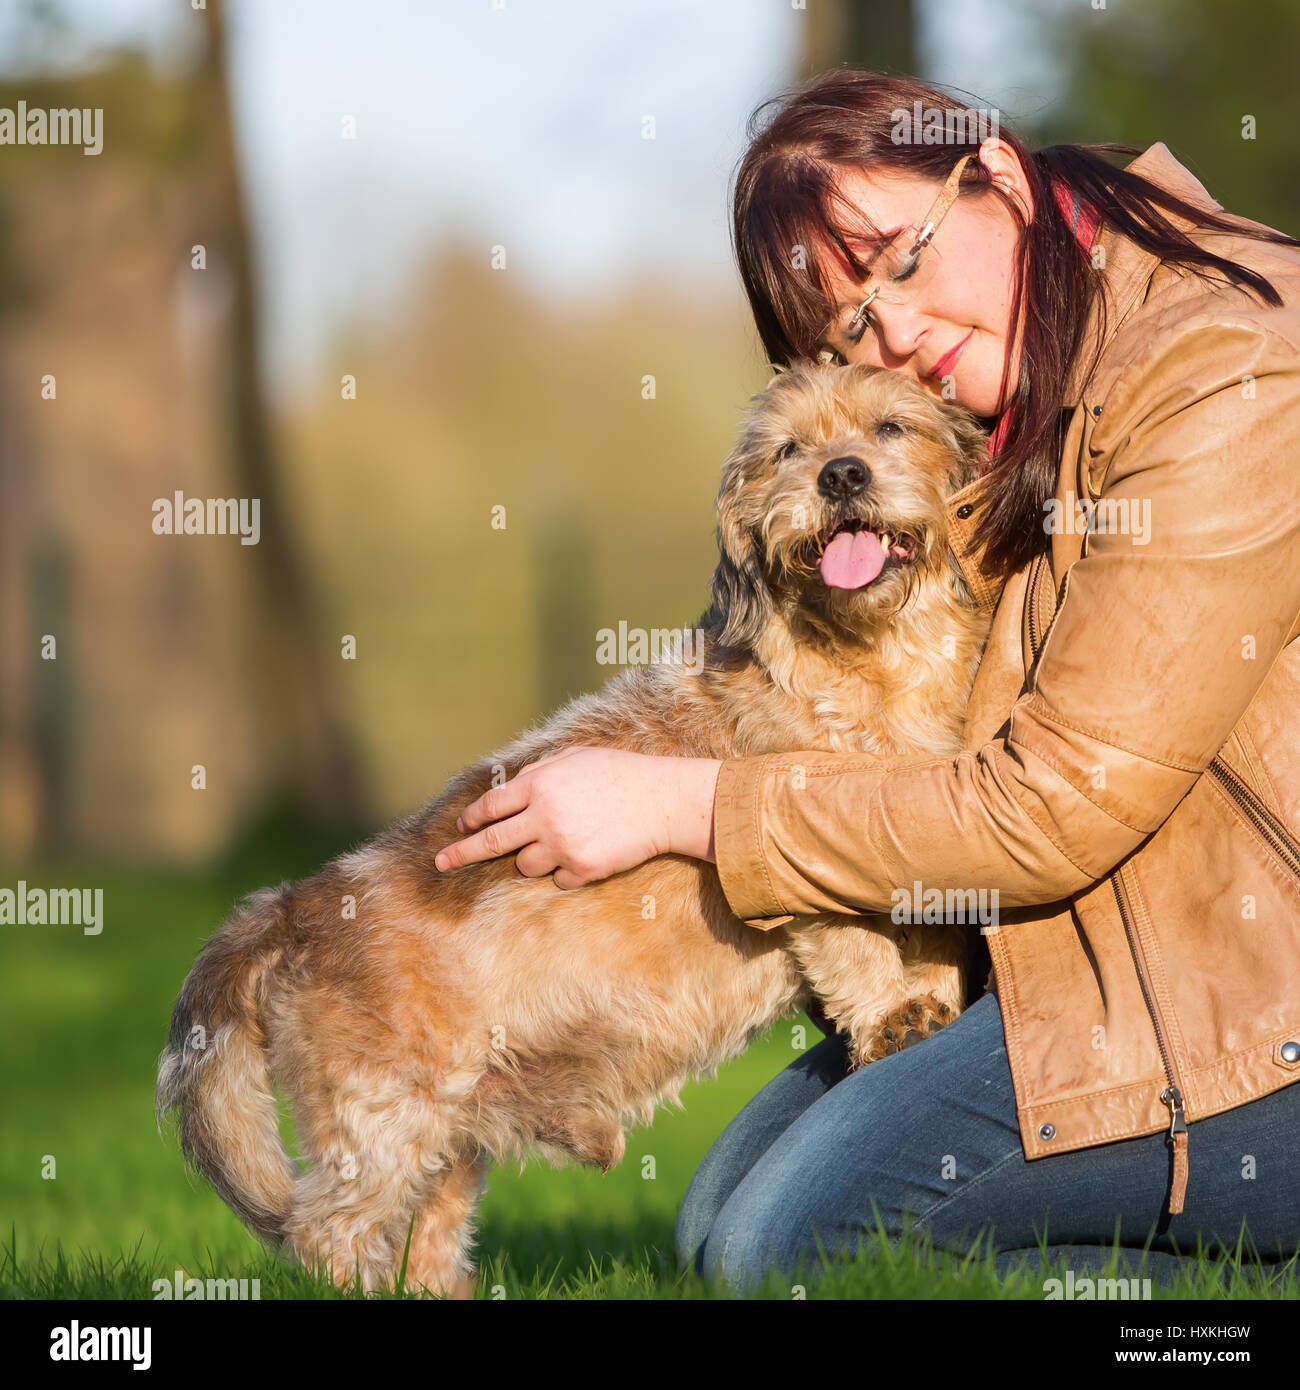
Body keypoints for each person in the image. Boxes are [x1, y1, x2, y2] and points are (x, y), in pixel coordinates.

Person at [433, 71, 1300, 1294]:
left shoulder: (1220, 372)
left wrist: (684, 805)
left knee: (793, 1248)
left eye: (900, 260)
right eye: (846, 330)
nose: (890, 335)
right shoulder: (1018, 378)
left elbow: (1049, 805)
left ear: (994, 173)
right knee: (718, 1223)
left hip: (1257, 1001)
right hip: (1095, 953)